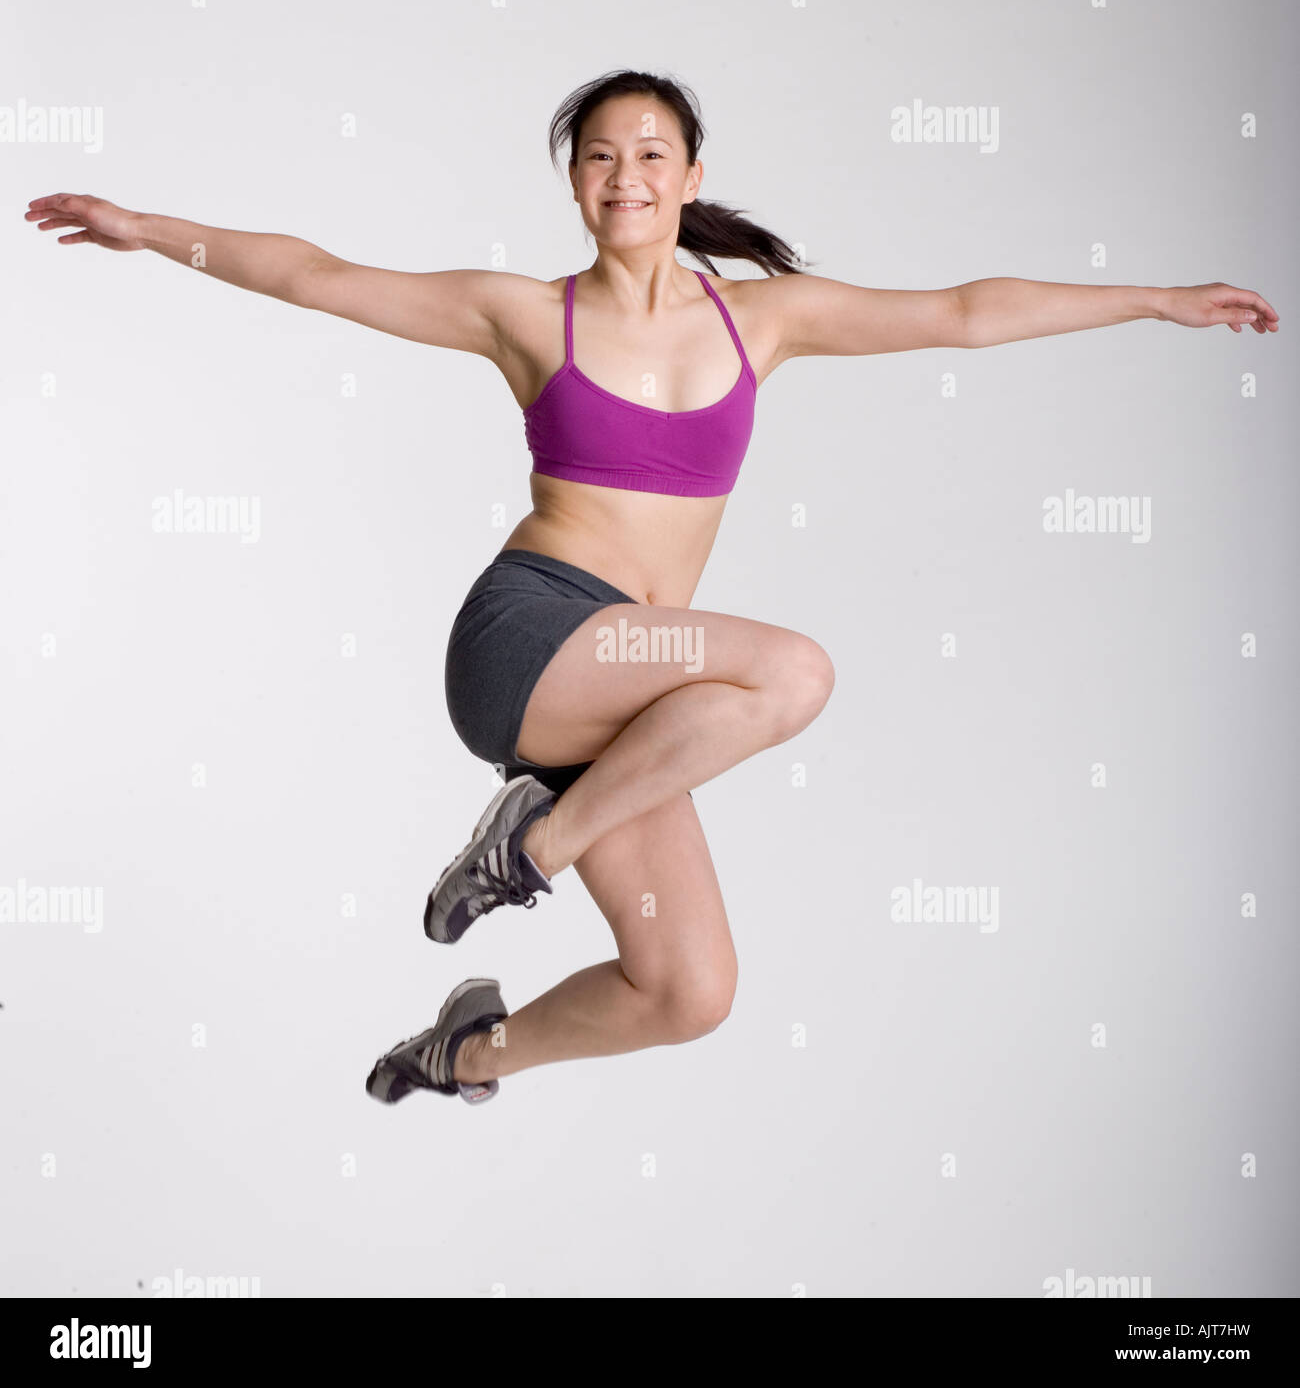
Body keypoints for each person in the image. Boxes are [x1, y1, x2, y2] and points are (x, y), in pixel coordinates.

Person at [27, 68, 1279, 1108]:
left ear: (688, 174)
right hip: (533, 638)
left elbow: (957, 312)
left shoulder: (764, 323)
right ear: (574, 183)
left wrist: (1154, 300)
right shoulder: (526, 314)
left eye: (650, 152)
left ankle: (458, 1049)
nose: (624, 175)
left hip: (627, 708)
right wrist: (155, 231)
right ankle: (529, 849)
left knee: (688, 992)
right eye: (598, 157)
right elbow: (317, 273)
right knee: (791, 670)